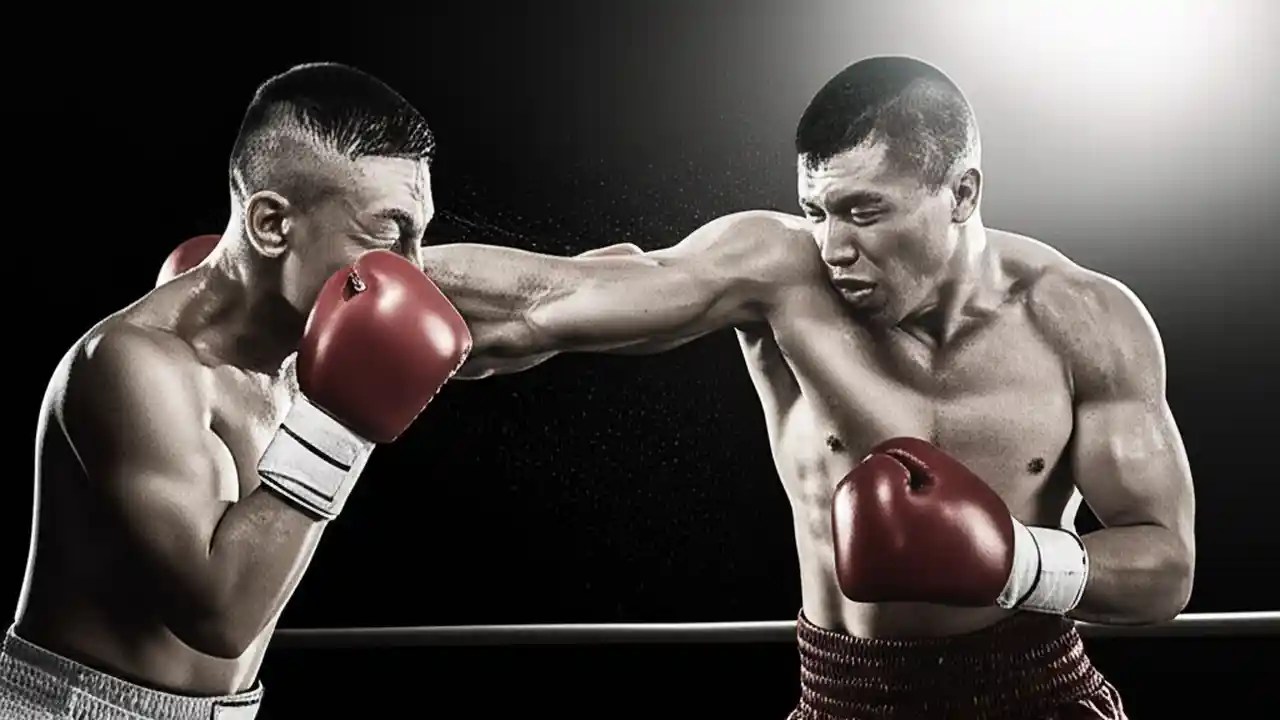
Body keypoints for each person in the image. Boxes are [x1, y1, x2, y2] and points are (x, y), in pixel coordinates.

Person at [420, 56, 1195, 718]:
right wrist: (361, 269)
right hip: (845, 698)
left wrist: (1012, 563)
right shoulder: (776, 271)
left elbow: (1166, 567)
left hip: (1038, 692)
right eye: (816, 210)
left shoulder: (1086, 320)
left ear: (961, 194)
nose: (833, 247)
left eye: (863, 212)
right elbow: (544, 302)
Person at [3, 62, 471, 719]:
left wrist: (670, 269)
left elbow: (574, 300)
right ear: (274, 226)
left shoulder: (300, 325)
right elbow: (219, 618)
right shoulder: (131, 365)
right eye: (390, 234)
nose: (415, 274)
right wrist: (341, 419)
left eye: (418, 236)